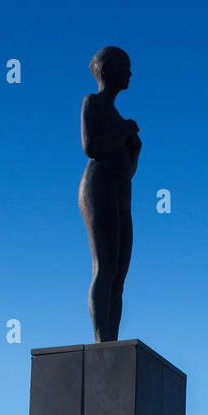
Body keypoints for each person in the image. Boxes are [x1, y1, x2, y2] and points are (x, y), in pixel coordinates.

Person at [78, 46, 142, 342]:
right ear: (106, 70)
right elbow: (91, 147)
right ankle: (101, 343)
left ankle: (111, 343)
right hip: (98, 190)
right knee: (104, 266)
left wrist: (134, 150)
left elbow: (127, 172)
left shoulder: (118, 116)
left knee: (119, 274)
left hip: (121, 194)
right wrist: (124, 132)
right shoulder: (93, 103)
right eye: (124, 66)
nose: (129, 72)